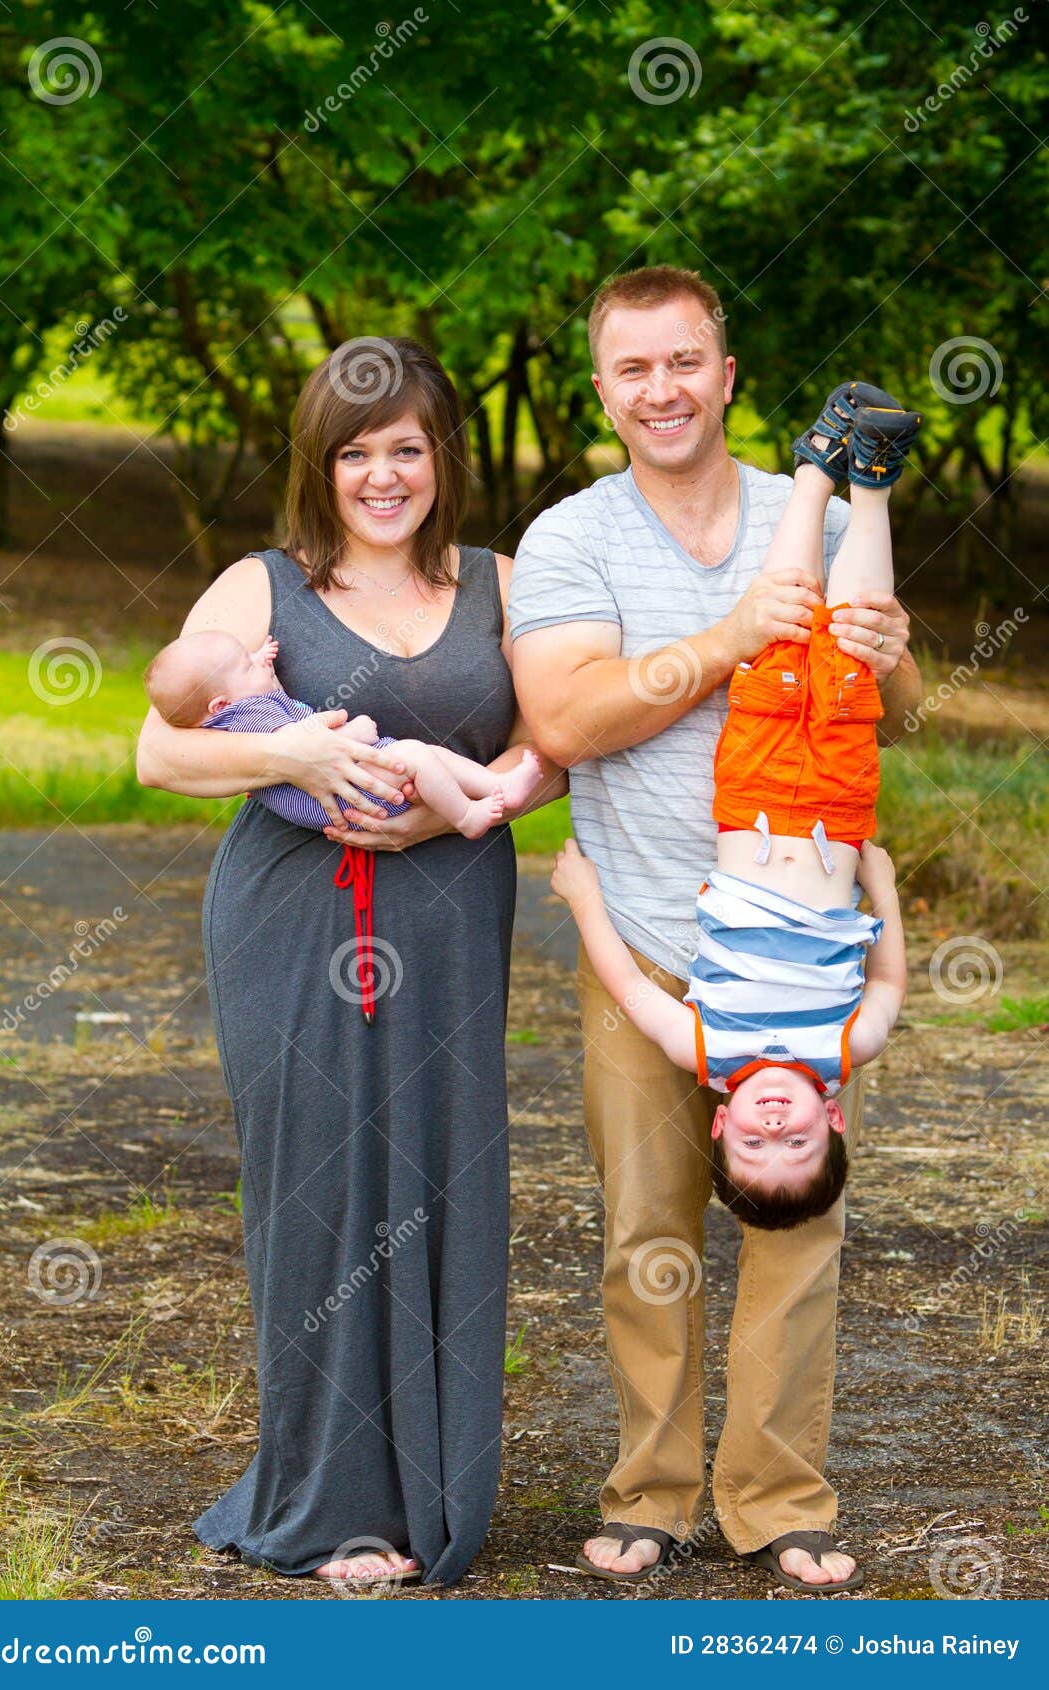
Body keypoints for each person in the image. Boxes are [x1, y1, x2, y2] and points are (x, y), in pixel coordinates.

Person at [509, 266, 923, 1591]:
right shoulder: (573, 538)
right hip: (643, 943)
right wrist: (729, 632)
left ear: (725, 375)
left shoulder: (774, 512)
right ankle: (650, 1488)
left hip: (799, 959)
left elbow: (890, 709)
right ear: (601, 392)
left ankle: (775, 1496)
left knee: (794, 1241)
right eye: (631, 369)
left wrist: (890, 644)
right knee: (647, 1235)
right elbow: (565, 721)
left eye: (683, 361)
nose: (661, 389)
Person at [136, 336, 563, 1587]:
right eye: (354, 453)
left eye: (406, 450)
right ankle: (330, 1504)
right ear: (319, 467)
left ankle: (430, 1485)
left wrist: (456, 806)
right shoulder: (261, 585)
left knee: (439, 1179)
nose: (382, 476)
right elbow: (160, 753)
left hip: (447, 922)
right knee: (319, 1195)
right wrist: (298, 760)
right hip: (295, 920)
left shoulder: (501, 578)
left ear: (444, 457)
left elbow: (553, 745)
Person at [549, 382, 918, 1236]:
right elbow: (891, 979)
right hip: (835, 807)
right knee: (856, 642)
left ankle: (813, 475)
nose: (776, 1131)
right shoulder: (844, 1050)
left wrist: (582, 897)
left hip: (747, 801)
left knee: (782, 630)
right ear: (832, 1121)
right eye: (799, 1148)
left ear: (722, 1123)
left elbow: (632, 994)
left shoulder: (708, 1052)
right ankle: (869, 482)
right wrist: (885, 890)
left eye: (755, 1149)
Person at [144, 629, 543, 839]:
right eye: (246, 666)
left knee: (426, 755)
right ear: (220, 706)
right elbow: (304, 747)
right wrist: (354, 732)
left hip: (341, 787)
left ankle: (497, 785)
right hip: (339, 795)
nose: (257, 662)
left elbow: (281, 707)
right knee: (417, 755)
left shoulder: (239, 705)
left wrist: (257, 666)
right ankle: (468, 815)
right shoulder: (246, 719)